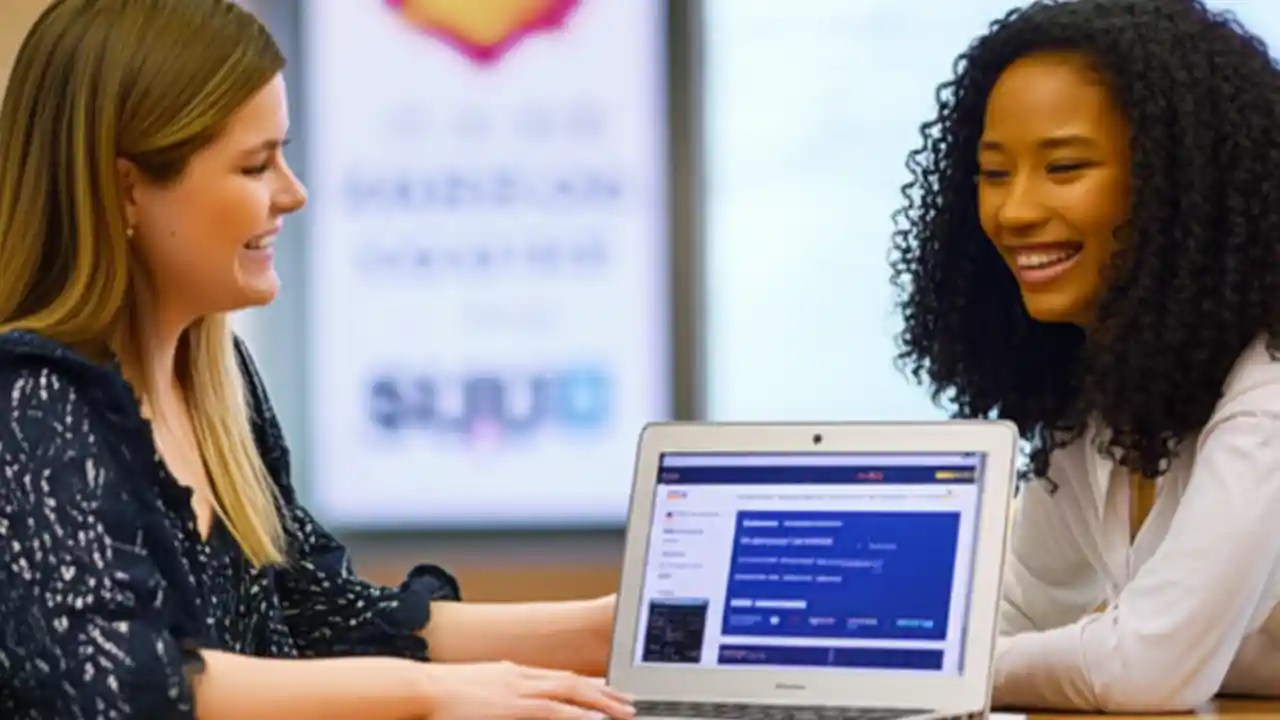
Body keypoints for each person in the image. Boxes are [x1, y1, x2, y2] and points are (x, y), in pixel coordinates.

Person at [0, 1, 634, 718]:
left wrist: (613, 629)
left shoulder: (220, 384)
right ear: (126, 190)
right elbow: (124, 684)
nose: (292, 193)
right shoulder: (29, 406)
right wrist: (433, 697)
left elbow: (321, 619)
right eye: (256, 164)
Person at [889, 0, 1280, 713]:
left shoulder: (1270, 394)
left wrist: (937, 666)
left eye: (1064, 167)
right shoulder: (1108, 396)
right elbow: (1006, 615)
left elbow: (1146, 672)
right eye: (994, 173)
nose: (1014, 212)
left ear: (1185, 182)